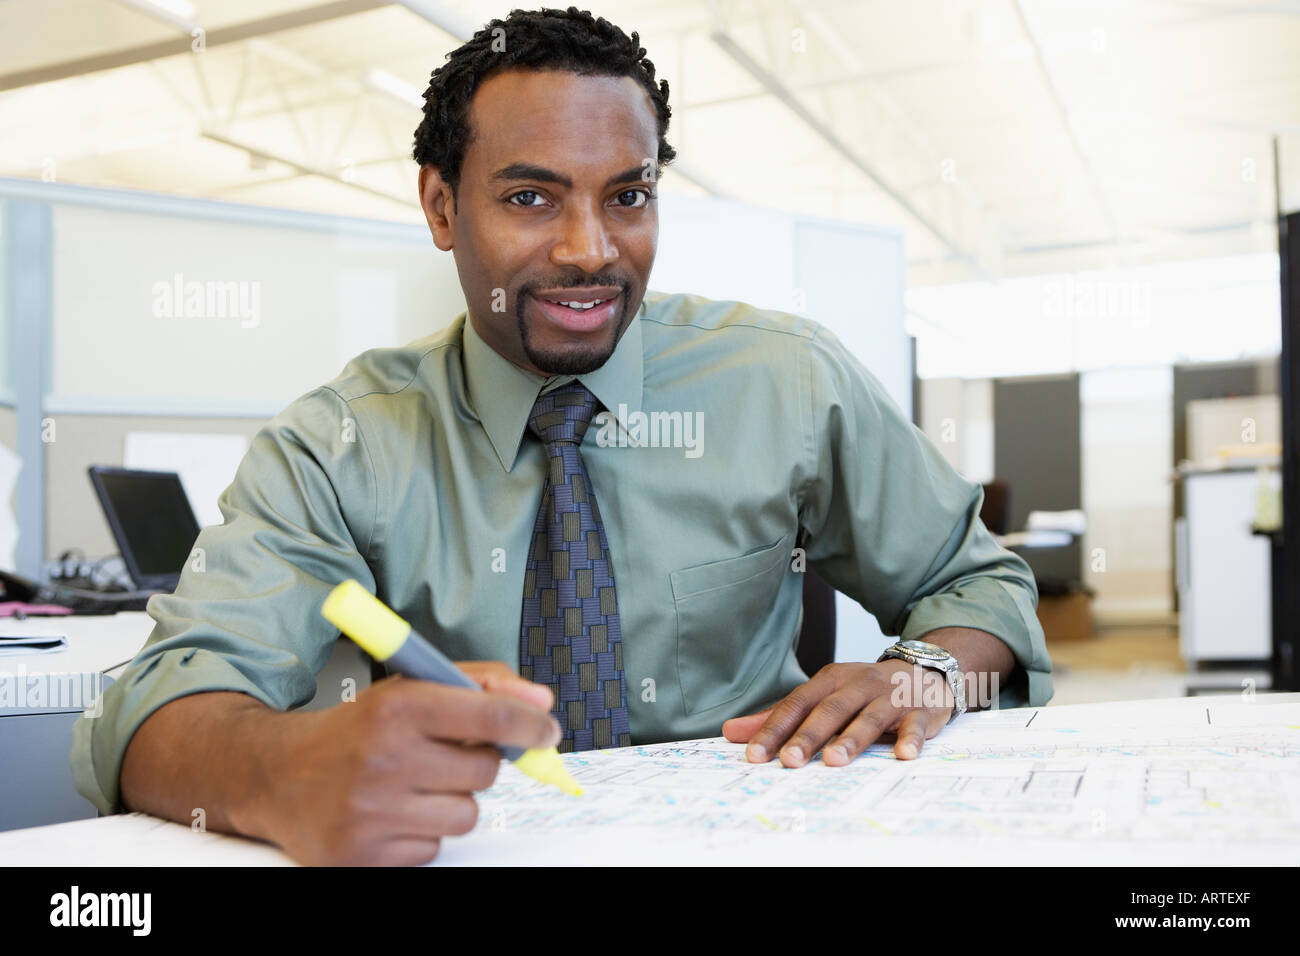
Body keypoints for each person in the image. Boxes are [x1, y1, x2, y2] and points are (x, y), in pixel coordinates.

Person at [71, 6, 1052, 866]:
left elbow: (980, 583)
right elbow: (158, 703)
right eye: (530, 197)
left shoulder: (785, 379)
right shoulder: (340, 442)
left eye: (627, 195)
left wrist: (922, 670)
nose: (590, 249)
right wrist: (282, 770)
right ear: (441, 206)